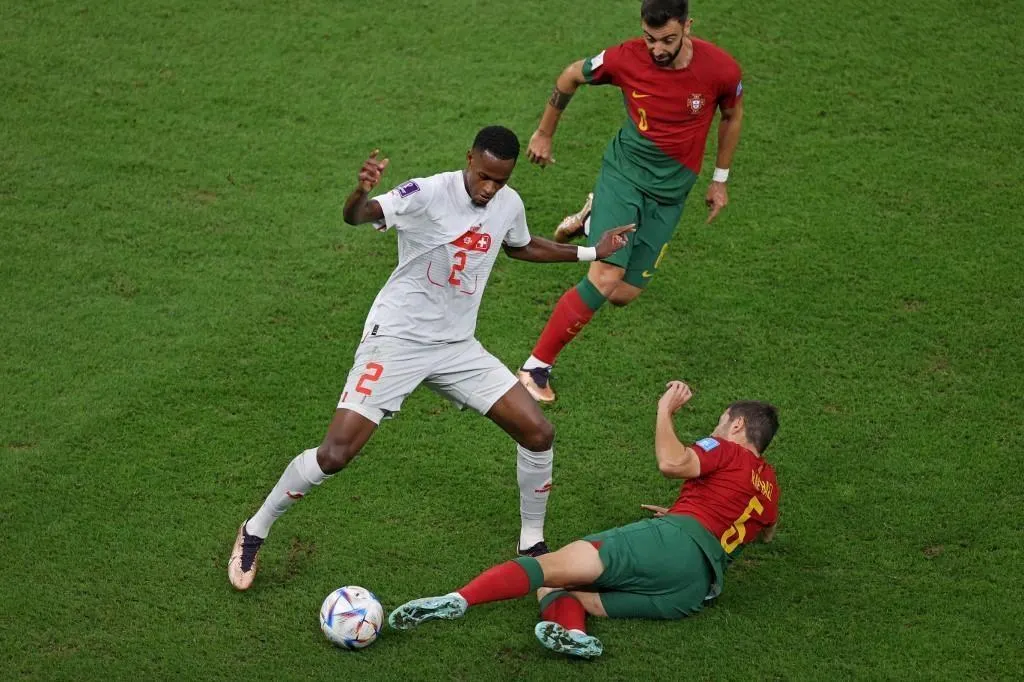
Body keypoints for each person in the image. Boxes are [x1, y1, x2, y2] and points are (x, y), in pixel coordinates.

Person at [228, 126, 634, 590]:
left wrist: (590, 252)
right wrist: (359, 191)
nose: (489, 189)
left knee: (538, 431)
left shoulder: (508, 203)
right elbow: (359, 216)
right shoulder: (425, 192)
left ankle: (533, 547)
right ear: (469, 159)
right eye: (483, 177)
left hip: (456, 347)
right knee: (336, 453)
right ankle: (255, 529)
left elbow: (520, 245)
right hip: (397, 340)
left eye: (500, 181)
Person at [388, 381, 779, 659]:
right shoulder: (771, 486)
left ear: (738, 426)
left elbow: (671, 463)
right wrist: (690, 517)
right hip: (693, 590)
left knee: (549, 568)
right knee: (571, 593)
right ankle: (574, 634)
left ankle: (457, 599)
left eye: (721, 421)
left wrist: (664, 411)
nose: (715, 429)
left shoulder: (725, 448)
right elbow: (760, 532)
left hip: (672, 543)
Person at [517, 0, 745, 402]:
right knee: (604, 278)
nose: (657, 49)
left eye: (668, 39)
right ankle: (535, 367)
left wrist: (720, 180)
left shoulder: (720, 70)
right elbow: (571, 75)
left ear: (688, 27)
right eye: (650, 38)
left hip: (671, 194)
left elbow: (732, 114)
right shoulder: (625, 58)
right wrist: (544, 132)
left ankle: (591, 220)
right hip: (624, 176)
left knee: (623, 293)